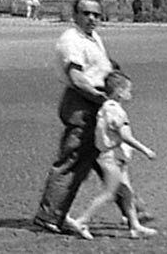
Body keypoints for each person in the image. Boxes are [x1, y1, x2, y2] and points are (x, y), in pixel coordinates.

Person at [33, 0, 149, 234]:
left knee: (106, 157)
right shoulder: (71, 40)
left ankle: (133, 210)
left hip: (97, 104)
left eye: (96, 14)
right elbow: (77, 78)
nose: (91, 18)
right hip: (82, 104)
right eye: (86, 13)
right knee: (73, 160)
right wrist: (103, 99)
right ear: (75, 15)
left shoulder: (93, 38)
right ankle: (49, 214)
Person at [65, 71, 157, 240]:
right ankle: (82, 220)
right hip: (112, 157)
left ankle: (135, 226)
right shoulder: (117, 112)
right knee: (110, 192)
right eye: (128, 90)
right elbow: (125, 136)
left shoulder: (105, 107)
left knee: (127, 192)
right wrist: (145, 150)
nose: (130, 93)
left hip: (112, 155)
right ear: (119, 91)